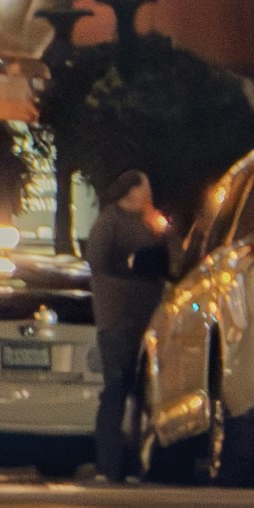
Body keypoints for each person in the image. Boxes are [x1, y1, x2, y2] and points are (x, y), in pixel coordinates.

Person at [86, 171, 173, 481]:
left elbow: (170, 260)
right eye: (144, 188)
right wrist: (133, 266)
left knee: (143, 394)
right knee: (116, 391)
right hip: (119, 318)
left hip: (147, 318)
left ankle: (137, 464)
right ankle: (107, 465)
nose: (148, 194)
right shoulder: (110, 222)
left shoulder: (151, 223)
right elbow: (97, 262)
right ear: (132, 192)